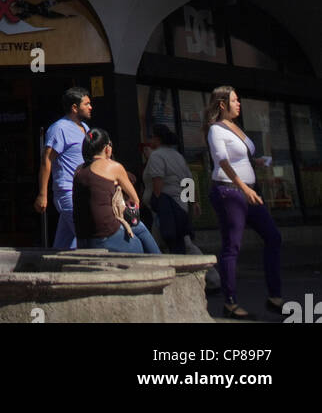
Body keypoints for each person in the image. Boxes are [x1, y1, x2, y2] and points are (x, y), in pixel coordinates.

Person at [204, 84, 283, 320]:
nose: (239, 104)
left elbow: (240, 158)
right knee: (232, 246)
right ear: (222, 104)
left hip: (248, 192)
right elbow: (223, 162)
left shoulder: (235, 128)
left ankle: (275, 296)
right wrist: (244, 187)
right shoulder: (215, 130)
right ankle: (229, 302)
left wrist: (256, 163)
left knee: (273, 237)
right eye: (235, 100)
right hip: (230, 192)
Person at [73, 129, 160, 254]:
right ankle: (161, 259)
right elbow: (135, 200)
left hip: (82, 239)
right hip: (105, 236)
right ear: (107, 148)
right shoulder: (113, 166)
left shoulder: (78, 170)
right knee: (139, 229)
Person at [35, 87, 92, 248]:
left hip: (83, 191)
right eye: (86, 104)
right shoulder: (58, 129)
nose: (90, 107)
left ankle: (50, 268)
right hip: (67, 191)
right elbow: (47, 160)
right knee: (86, 237)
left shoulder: (86, 129)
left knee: (65, 244)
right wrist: (42, 195)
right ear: (74, 107)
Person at [142, 125, 199, 255]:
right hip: (180, 203)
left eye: (152, 137)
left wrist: (156, 202)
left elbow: (158, 182)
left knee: (173, 241)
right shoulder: (177, 156)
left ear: (157, 139)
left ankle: (210, 273)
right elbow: (188, 180)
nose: (150, 141)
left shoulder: (156, 156)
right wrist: (193, 203)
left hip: (166, 206)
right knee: (181, 240)